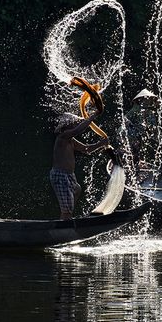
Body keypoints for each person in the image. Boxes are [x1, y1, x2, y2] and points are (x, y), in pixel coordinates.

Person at [51, 83, 109, 220]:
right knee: (67, 209)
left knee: (77, 190)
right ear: (66, 126)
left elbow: (87, 149)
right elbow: (78, 130)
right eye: (72, 124)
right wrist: (93, 116)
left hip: (69, 175)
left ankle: (67, 217)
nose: (75, 125)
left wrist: (101, 144)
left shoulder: (71, 140)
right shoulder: (62, 137)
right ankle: (65, 225)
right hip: (60, 175)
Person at [123, 88, 159, 171]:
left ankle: (136, 166)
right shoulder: (136, 110)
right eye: (146, 99)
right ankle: (132, 167)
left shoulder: (150, 113)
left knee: (142, 149)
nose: (148, 101)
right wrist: (128, 122)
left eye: (149, 99)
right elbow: (125, 119)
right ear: (140, 100)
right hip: (132, 135)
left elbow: (154, 128)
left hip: (141, 135)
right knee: (135, 149)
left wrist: (158, 140)